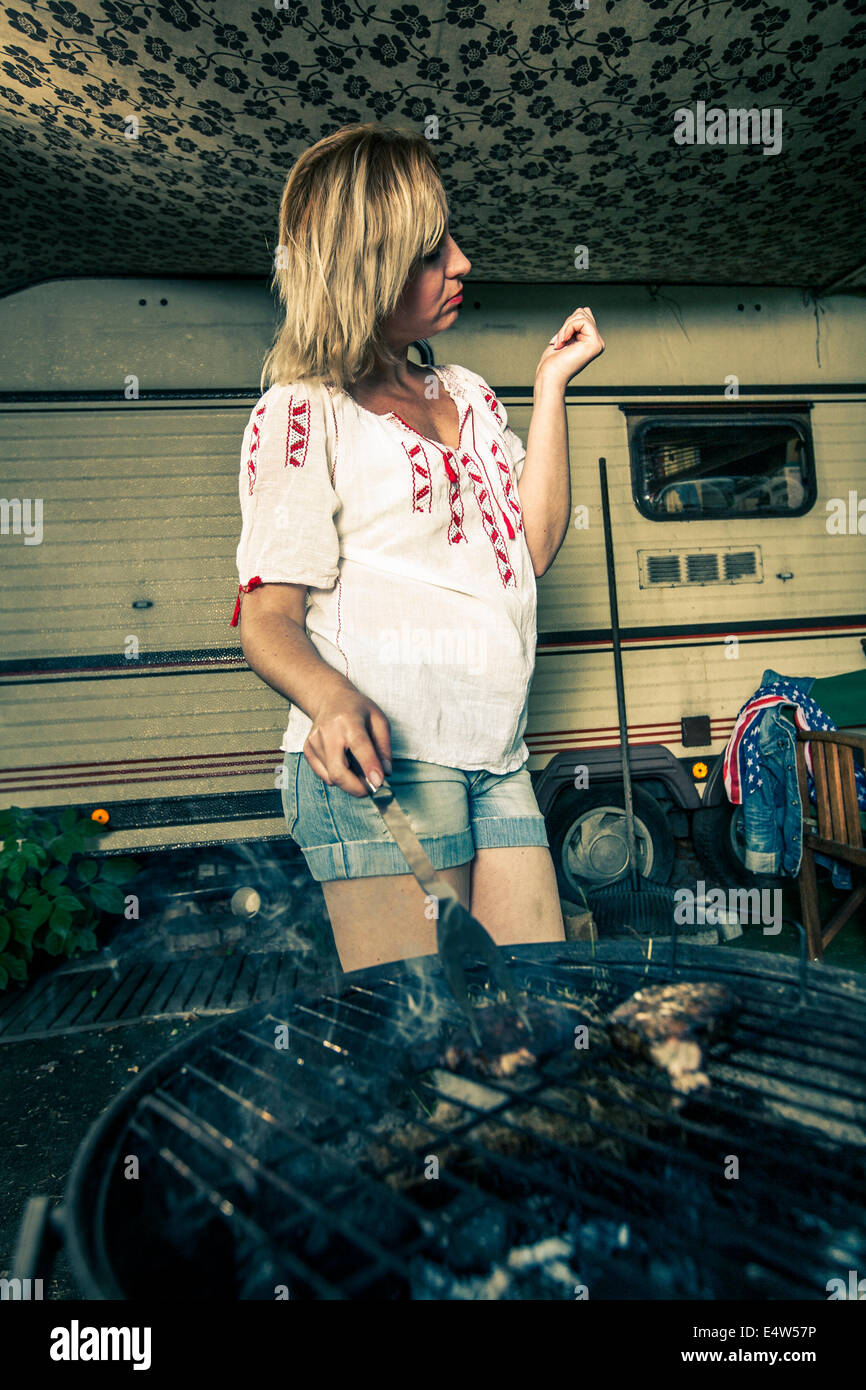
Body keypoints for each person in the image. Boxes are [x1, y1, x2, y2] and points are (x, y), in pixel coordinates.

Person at [230, 123, 605, 972]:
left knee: (534, 1009)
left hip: (496, 751)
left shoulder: (468, 397)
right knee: (424, 1045)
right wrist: (327, 699)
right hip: (391, 765)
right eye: (433, 253)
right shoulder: (302, 412)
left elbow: (535, 544)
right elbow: (267, 619)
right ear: (369, 271)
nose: (463, 263)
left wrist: (550, 387)